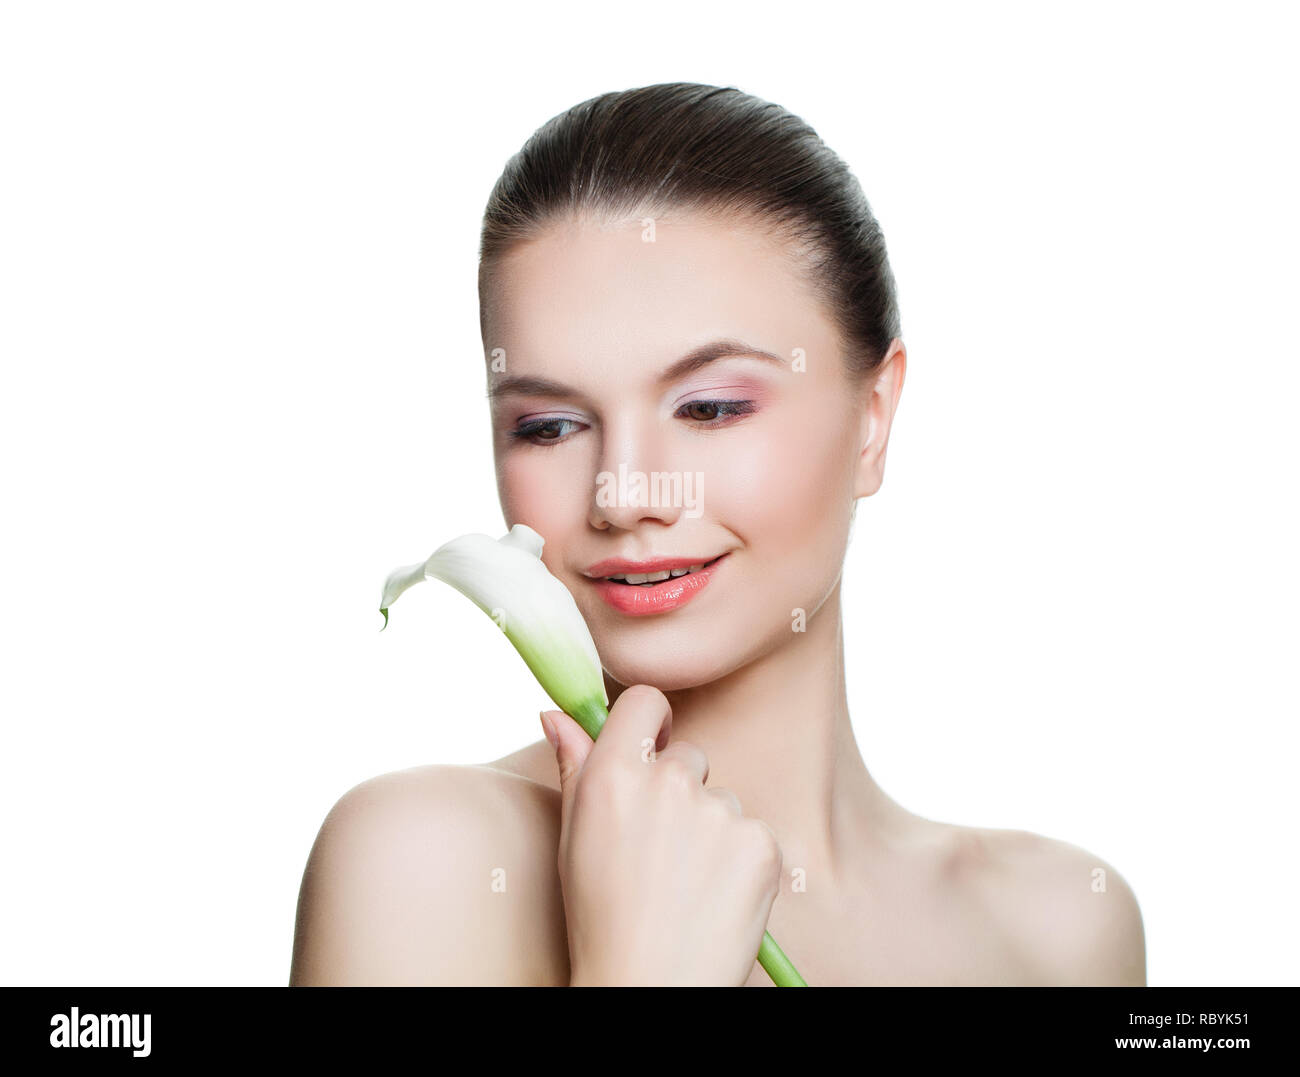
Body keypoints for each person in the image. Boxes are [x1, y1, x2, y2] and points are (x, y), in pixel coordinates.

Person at [289, 82, 1146, 987]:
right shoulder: (422, 861)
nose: (624, 494)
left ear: (873, 418)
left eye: (710, 406)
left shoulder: (1061, 931)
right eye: (548, 425)